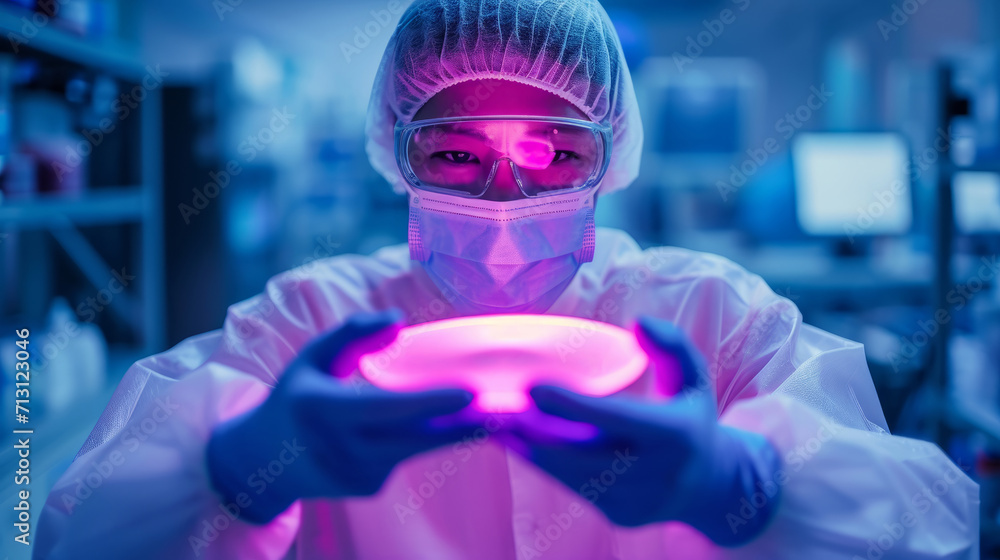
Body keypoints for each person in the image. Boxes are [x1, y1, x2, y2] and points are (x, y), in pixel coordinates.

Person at [34, 0, 979, 558]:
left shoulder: (714, 319)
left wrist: (748, 487)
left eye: (555, 153)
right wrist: (236, 472)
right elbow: (75, 535)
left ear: (609, 159)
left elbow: (933, 530)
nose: (503, 197)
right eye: (453, 154)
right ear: (397, 151)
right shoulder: (307, 325)